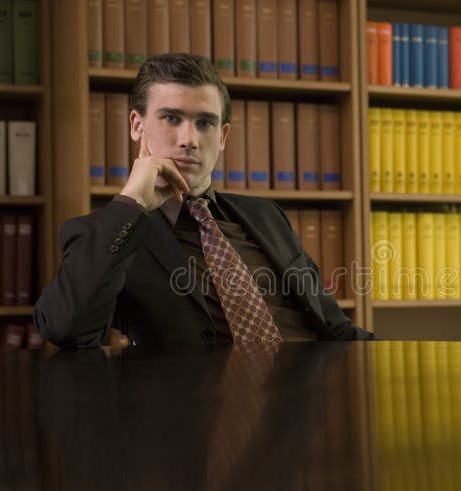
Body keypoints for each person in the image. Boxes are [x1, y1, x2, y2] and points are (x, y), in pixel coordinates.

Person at [34, 53, 374, 348]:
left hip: (314, 398)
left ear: (223, 136)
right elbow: (65, 329)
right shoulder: (108, 232)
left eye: (205, 123)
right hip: (208, 410)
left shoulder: (265, 214)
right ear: (137, 126)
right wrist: (132, 202)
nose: (189, 140)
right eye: (171, 118)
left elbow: (335, 326)